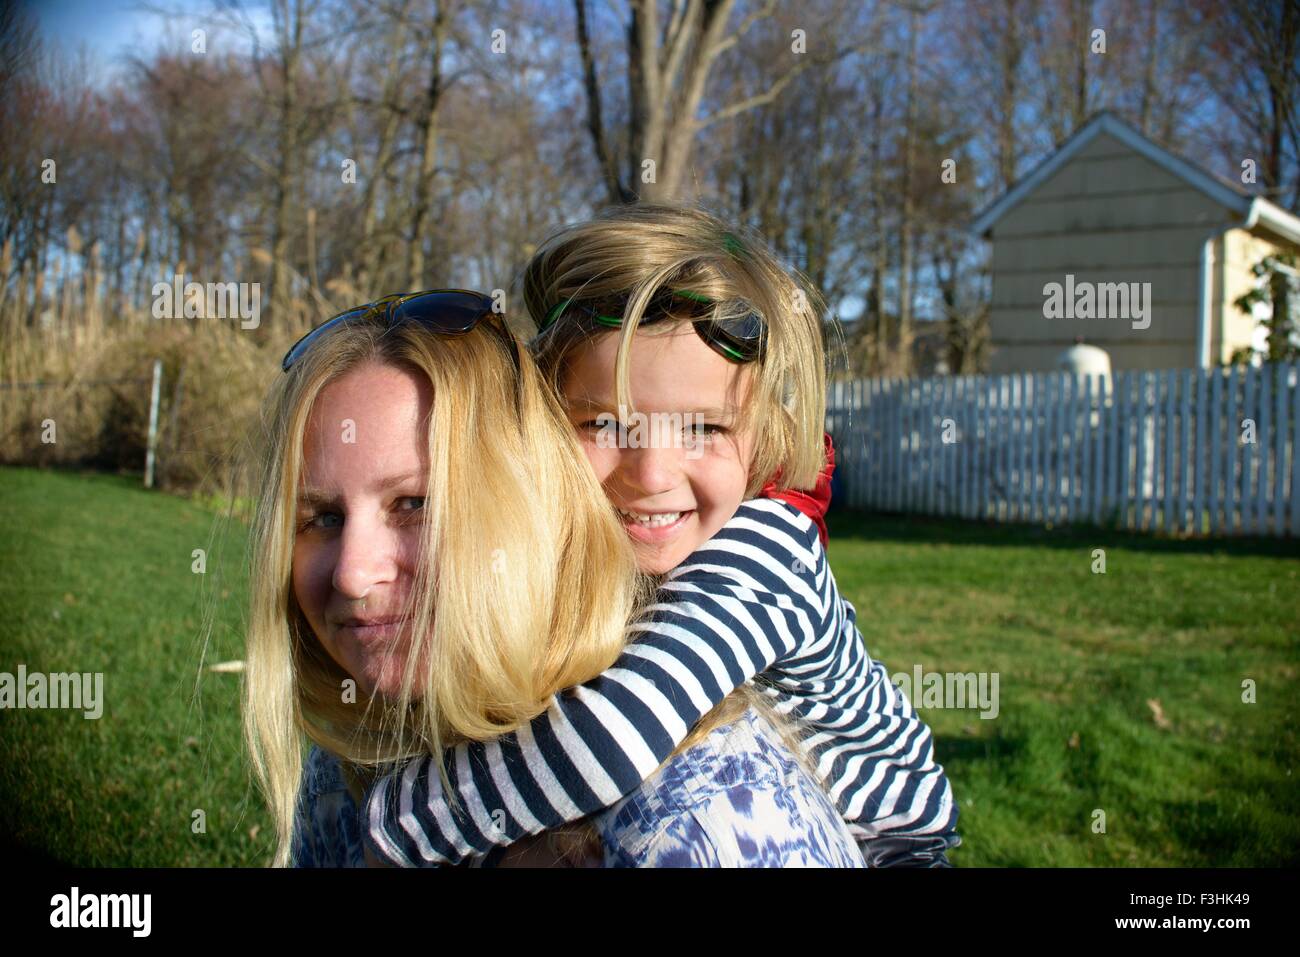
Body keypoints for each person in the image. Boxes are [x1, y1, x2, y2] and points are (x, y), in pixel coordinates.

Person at [362, 206, 961, 868]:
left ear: (763, 434)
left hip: (884, 846)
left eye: (703, 429)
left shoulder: (768, 552)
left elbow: (614, 734)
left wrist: (398, 822)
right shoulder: (575, 525)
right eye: (605, 425)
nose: (650, 474)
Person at [241, 290, 865, 867]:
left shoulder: (700, 818)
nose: (353, 575)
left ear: (540, 489)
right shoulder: (363, 739)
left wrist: (405, 828)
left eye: (416, 503)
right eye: (321, 517)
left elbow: (617, 732)